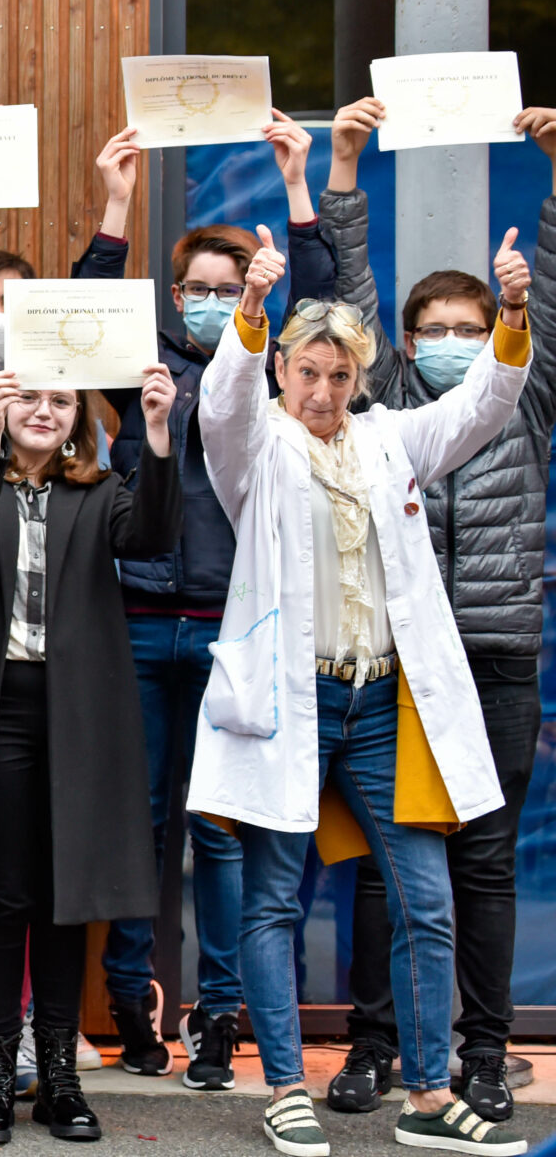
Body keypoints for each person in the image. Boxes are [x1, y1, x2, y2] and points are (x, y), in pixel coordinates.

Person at [187, 232, 532, 1157]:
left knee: (424, 897)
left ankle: (426, 1094)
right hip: (288, 699)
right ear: (284, 369)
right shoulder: (255, 441)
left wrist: (512, 318)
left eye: (340, 375)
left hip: (378, 702)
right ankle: (287, 1087)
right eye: (308, 371)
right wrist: (252, 313)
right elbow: (222, 401)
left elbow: (485, 404)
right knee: (272, 899)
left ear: (360, 377)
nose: (324, 392)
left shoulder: (390, 437)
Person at [77, 115, 332, 1090]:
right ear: (173, 296)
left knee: (222, 824)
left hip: (236, 630)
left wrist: (297, 187)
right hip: (138, 624)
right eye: (198, 289)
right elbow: (84, 308)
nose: (211, 303)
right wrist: (114, 202)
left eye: (231, 291)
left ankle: (217, 1010)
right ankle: (134, 1004)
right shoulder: (140, 372)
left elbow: (323, 311)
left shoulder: (274, 377)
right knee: (140, 821)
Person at [315, 101, 556, 1125]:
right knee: (385, 854)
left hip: (495, 652)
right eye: (436, 330)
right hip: (401, 657)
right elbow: (349, 284)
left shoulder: (523, 390)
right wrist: (340, 164)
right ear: (404, 342)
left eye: (471, 329)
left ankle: (485, 1051)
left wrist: (552, 180)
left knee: (485, 856)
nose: (455, 343)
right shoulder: (386, 408)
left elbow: (545, 302)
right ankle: (373, 1046)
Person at [0, 366, 182, 1144]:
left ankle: (60, 1079)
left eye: (59, 400)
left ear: (78, 420)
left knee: (64, 897)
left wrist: (157, 437)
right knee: (0, 897)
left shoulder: (99, 494)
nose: (42, 409)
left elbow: (155, 536)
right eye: (28, 396)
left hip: (76, 713)